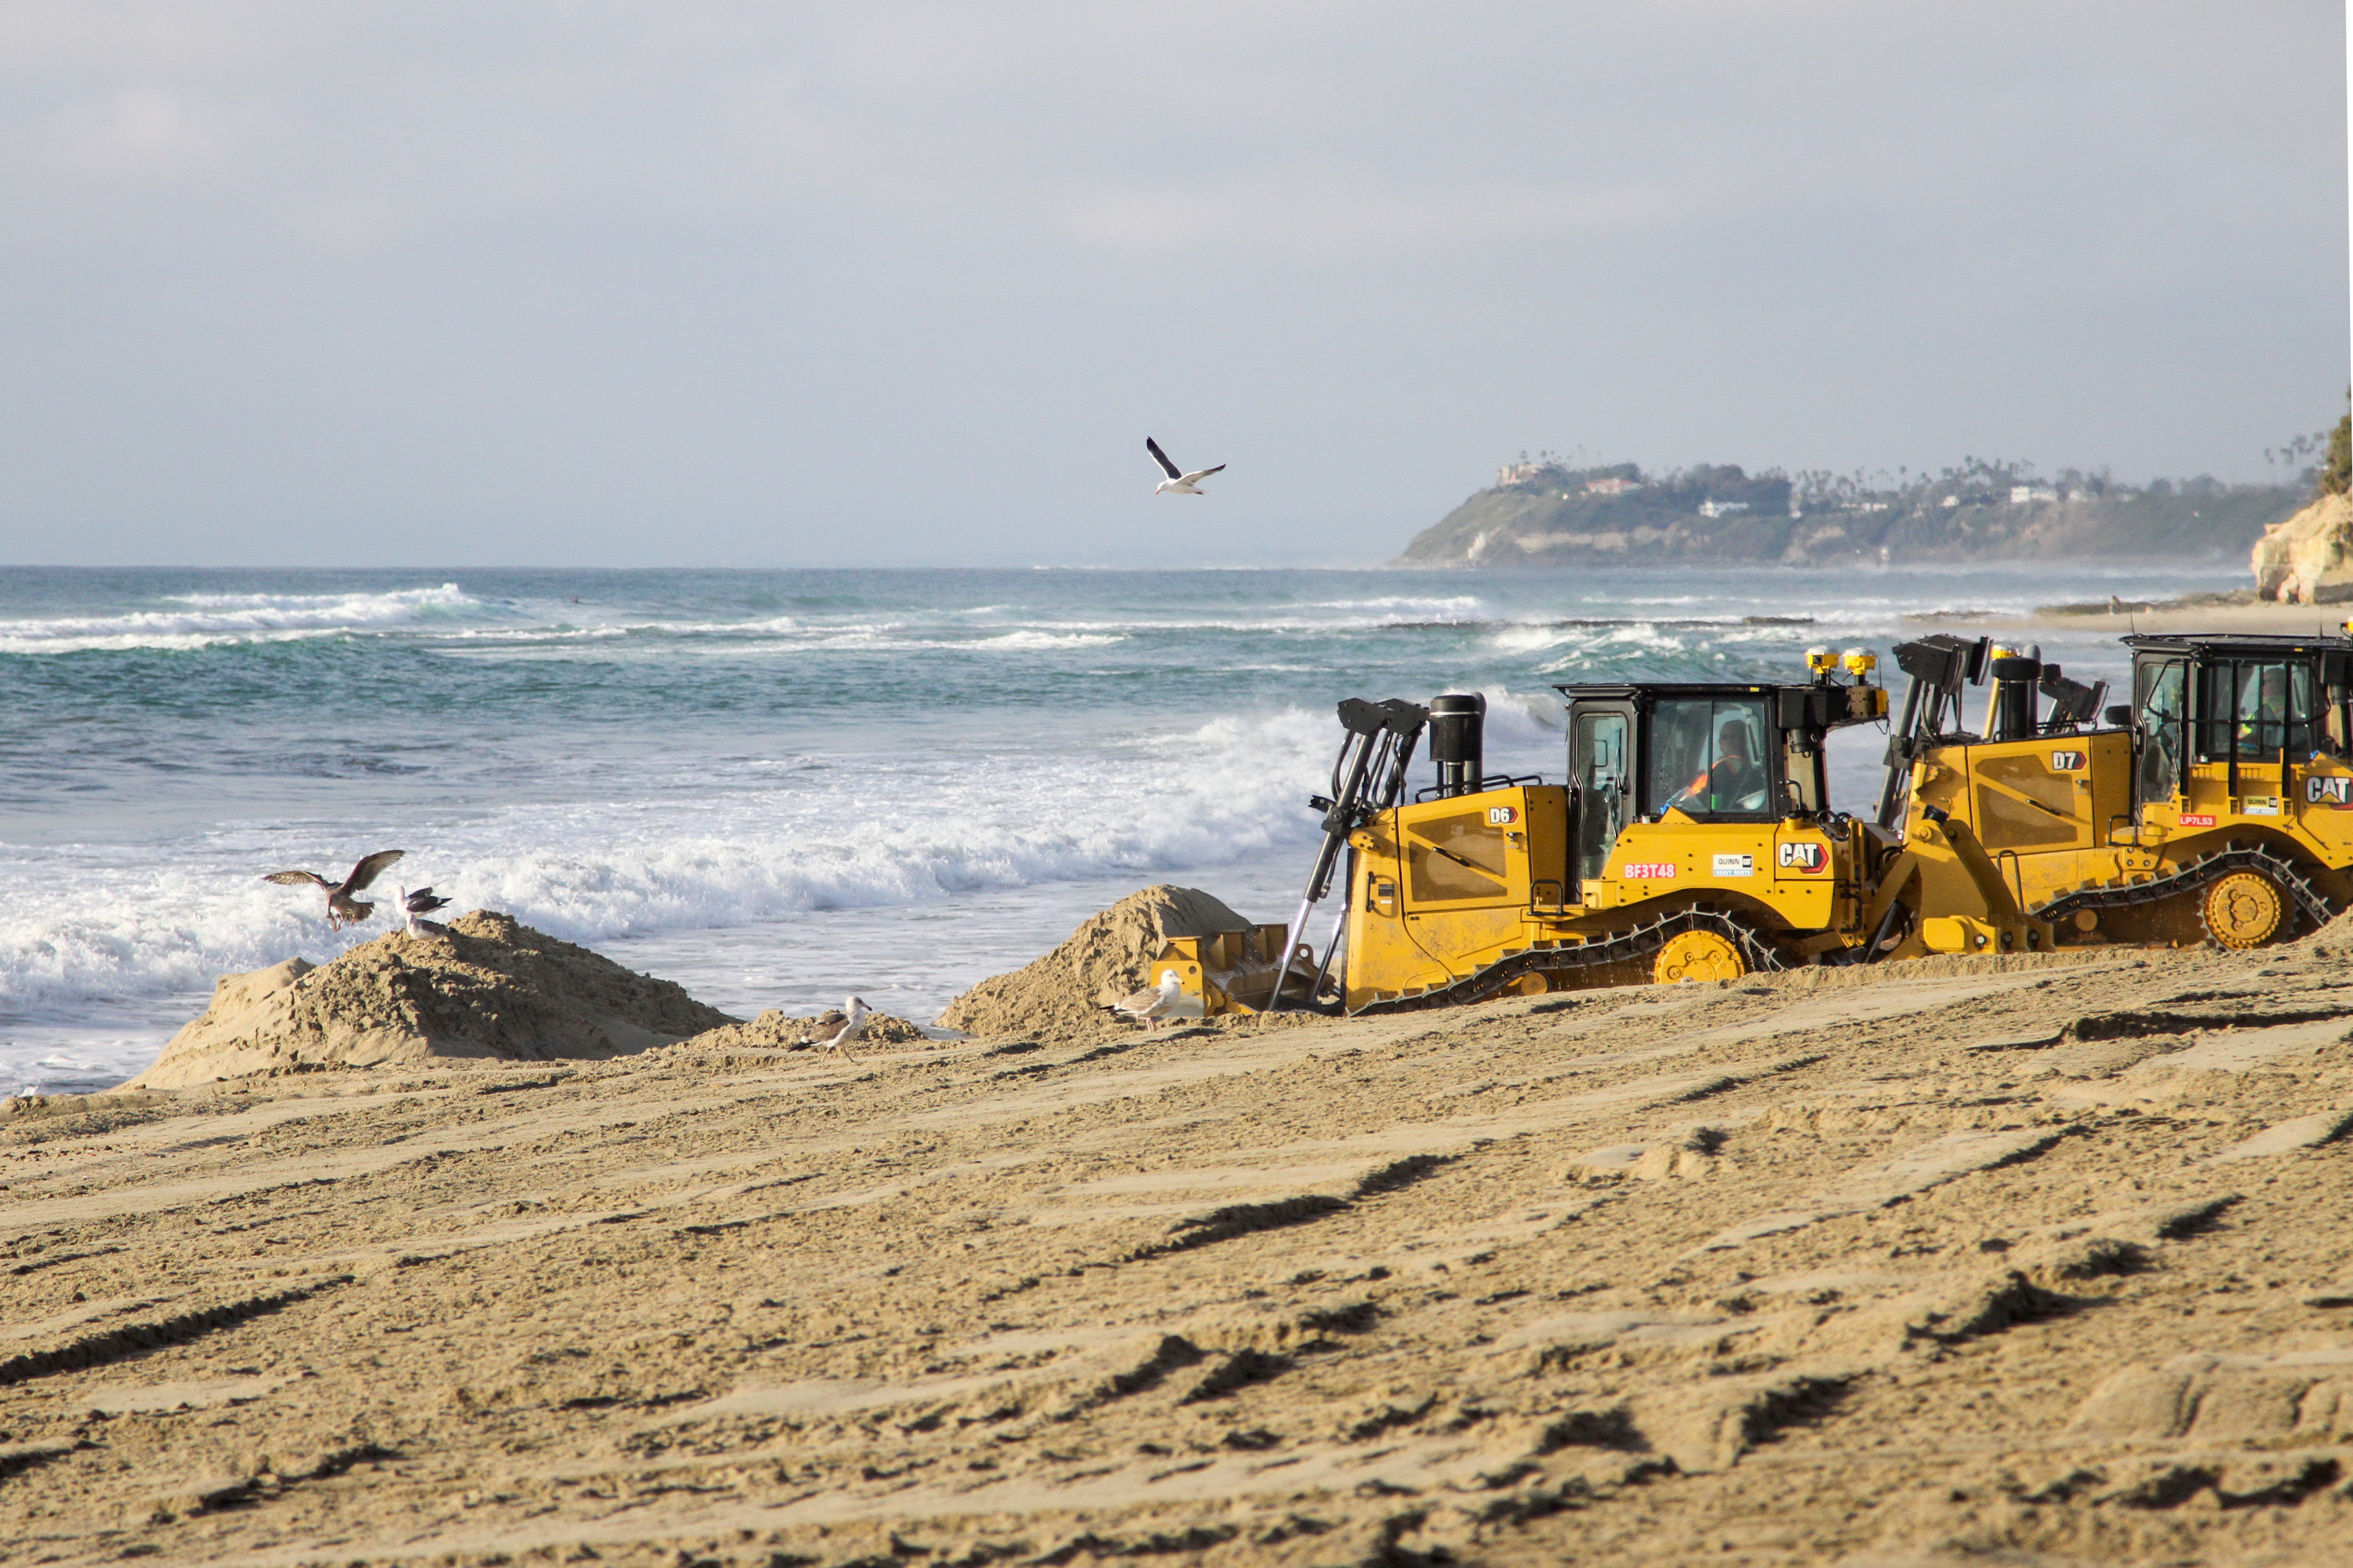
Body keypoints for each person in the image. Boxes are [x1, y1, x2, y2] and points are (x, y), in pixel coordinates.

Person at [1671, 718, 1767, 813]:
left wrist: (1684, 807)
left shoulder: (1725, 767)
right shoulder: (1750, 767)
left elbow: (1707, 800)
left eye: (1724, 737)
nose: (1719, 741)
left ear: (1738, 740)